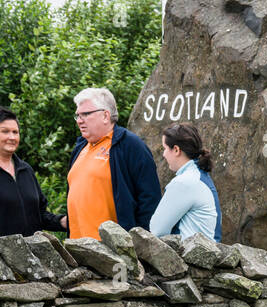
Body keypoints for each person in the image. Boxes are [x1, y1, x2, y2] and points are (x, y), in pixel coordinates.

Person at [67, 87, 161, 238]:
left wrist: (140, 244)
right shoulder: (80, 146)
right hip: (78, 249)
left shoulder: (130, 145)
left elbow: (150, 198)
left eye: (85, 114)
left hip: (112, 250)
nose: (79, 120)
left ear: (105, 115)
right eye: (77, 115)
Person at [0, 107, 69, 238]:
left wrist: (62, 221)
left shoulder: (25, 170)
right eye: (5, 131)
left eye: (15, 132)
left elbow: (40, 214)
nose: (12, 137)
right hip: (4, 256)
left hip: (32, 254)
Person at [149, 123, 222, 241]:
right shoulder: (198, 176)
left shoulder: (185, 182)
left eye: (165, 148)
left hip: (191, 257)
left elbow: (157, 230)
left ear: (176, 150)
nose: (163, 154)